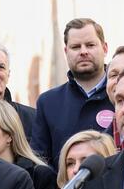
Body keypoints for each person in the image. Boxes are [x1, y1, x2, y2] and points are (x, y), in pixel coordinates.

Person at [32, 18, 115, 166]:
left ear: (105, 48)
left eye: (90, 45)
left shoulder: (121, 97)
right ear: (66, 51)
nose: (83, 52)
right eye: (76, 47)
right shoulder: (48, 102)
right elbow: (40, 162)